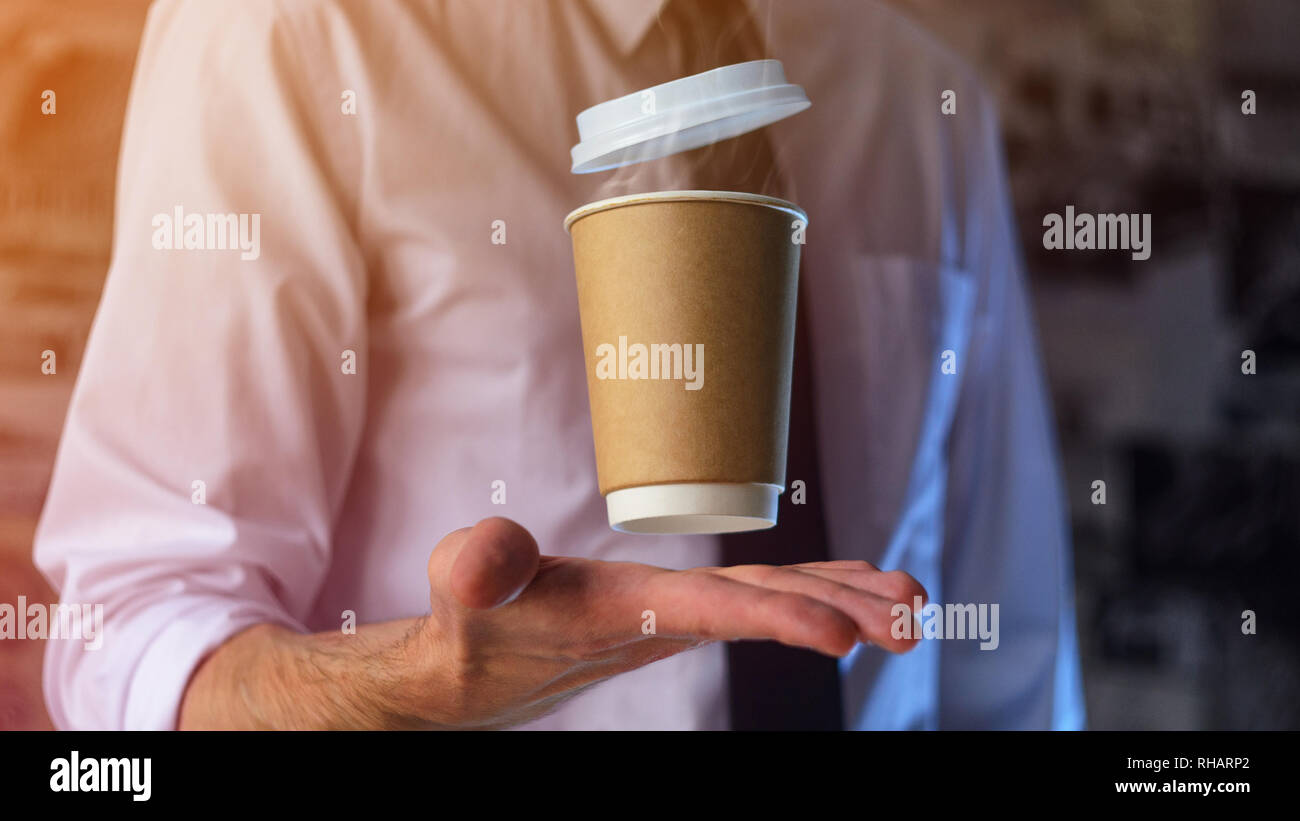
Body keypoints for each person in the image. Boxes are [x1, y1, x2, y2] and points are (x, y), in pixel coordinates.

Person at [34, 0, 1085, 730]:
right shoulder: (295, 36)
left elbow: (1009, 651)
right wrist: (413, 684)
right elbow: (129, 634)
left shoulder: (920, 96)